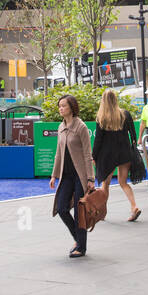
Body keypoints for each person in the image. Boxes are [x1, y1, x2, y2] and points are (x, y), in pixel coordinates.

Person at [49, 94, 96, 257]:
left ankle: (81, 247)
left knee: (79, 211)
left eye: (64, 106)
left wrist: (90, 178)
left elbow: (87, 154)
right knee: (61, 208)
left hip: (80, 176)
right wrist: (54, 175)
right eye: (59, 106)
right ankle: (78, 238)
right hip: (66, 175)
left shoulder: (80, 127)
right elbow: (58, 154)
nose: (61, 108)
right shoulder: (61, 127)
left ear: (72, 108)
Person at [93, 88, 141, 222]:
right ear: (115, 100)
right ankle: (134, 206)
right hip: (124, 152)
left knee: (105, 184)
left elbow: (98, 140)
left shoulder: (101, 117)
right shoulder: (124, 114)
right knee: (123, 182)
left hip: (107, 155)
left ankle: (102, 213)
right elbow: (133, 134)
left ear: (103, 101)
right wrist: (133, 148)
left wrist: (94, 156)